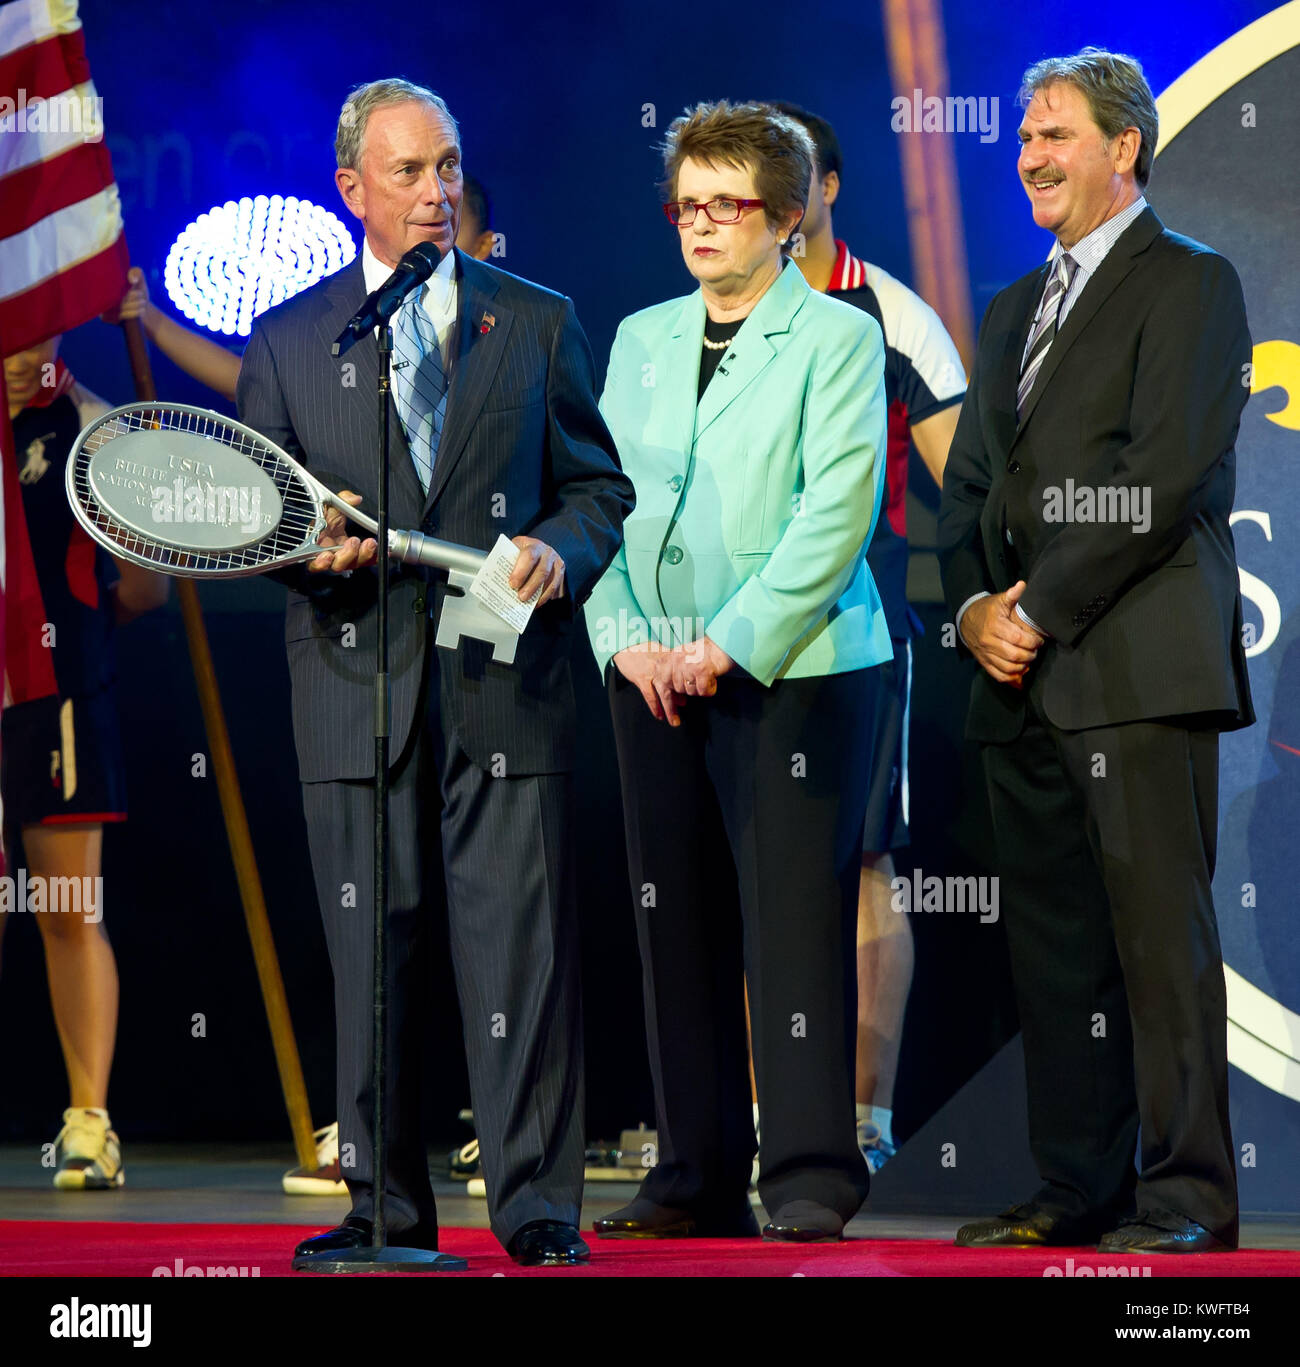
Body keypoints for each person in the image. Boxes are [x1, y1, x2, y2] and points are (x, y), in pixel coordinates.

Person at [236, 77, 633, 1267]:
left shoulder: (537, 317)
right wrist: (311, 550)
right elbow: (263, 522)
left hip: (506, 689)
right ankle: (380, 1207)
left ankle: (534, 1207)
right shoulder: (293, 341)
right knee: (370, 955)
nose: (434, 194)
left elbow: (598, 494)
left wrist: (557, 558)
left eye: (447, 168)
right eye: (407, 174)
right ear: (351, 188)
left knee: (522, 954)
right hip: (351, 688)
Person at [938, 48, 1252, 1254]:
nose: (1027, 153)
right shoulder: (1014, 308)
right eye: (1021, 134)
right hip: (1017, 680)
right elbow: (972, 488)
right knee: (1057, 952)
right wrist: (974, 614)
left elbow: (1160, 474)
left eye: (1053, 132)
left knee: (1156, 947)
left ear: (1122, 148)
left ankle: (1184, 1199)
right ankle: (1077, 1188)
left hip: (1132, 664)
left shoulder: (1193, 283)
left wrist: (1038, 607)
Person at [585, 100, 892, 1243]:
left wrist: (727, 639)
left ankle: (811, 1168)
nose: (702, 224)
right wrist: (626, 639)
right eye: (688, 204)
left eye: (728, 204)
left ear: (789, 213)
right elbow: (599, 503)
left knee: (792, 923)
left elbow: (836, 513)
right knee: (676, 922)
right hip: (650, 666)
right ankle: (692, 1170)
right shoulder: (639, 337)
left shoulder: (837, 337)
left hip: (793, 666)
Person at [770, 100, 967, 1173]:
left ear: (829, 186)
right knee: (760, 869)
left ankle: (862, 1117)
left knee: (861, 861)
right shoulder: (709, 313)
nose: (776, 195)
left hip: (857, 630)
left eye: (793, 173)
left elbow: (969, 481)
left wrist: (996, 602)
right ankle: (770, 1124)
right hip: (732, 634)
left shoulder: (892, 312)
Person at [0, 335, 169, 1188]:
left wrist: (74, 635)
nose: (30, 349)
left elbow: (145, 586)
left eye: (45, 329)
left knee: (65, 907)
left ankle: (88, 1121)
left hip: (56, 697)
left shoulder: (94, 427)